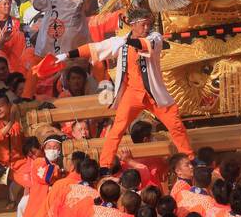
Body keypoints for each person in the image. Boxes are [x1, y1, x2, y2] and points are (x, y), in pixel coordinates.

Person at [68, 10, 193, 168]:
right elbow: (95, 48)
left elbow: (145, 45)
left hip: (154, 93)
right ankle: (105, 165)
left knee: (175, 125)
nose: (147, 27)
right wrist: (66, 55)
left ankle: (190, 158)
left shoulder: (154, 37)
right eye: (143, 24)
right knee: (117, 129)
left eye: (149, 24)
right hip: (132, 94)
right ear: (133, 25)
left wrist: (127, 42)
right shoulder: (121, 42)